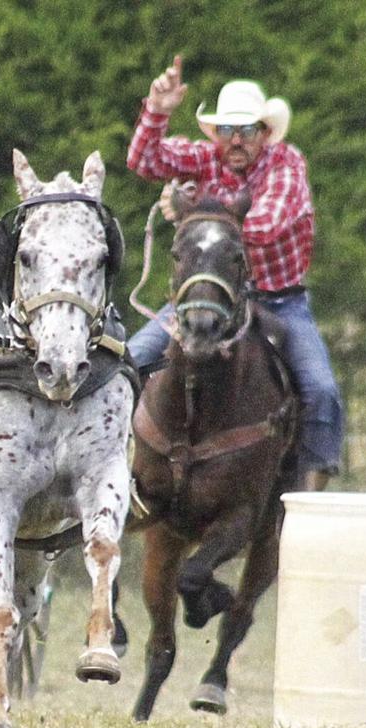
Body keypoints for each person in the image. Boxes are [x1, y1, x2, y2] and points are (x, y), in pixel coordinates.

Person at [125, 56, 343, 491]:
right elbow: (144, 162)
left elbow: (265, 225)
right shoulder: (205, 158)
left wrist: (192, 216)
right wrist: (158, 111)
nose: (236, 140)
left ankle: (308, 492)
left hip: (278, 300)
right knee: (128, 363)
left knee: (321, 391)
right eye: (226, 129)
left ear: (265, 133)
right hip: (209, 295)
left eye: (246, 130)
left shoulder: (286, 165)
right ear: (216, 134)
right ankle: (118, 469)